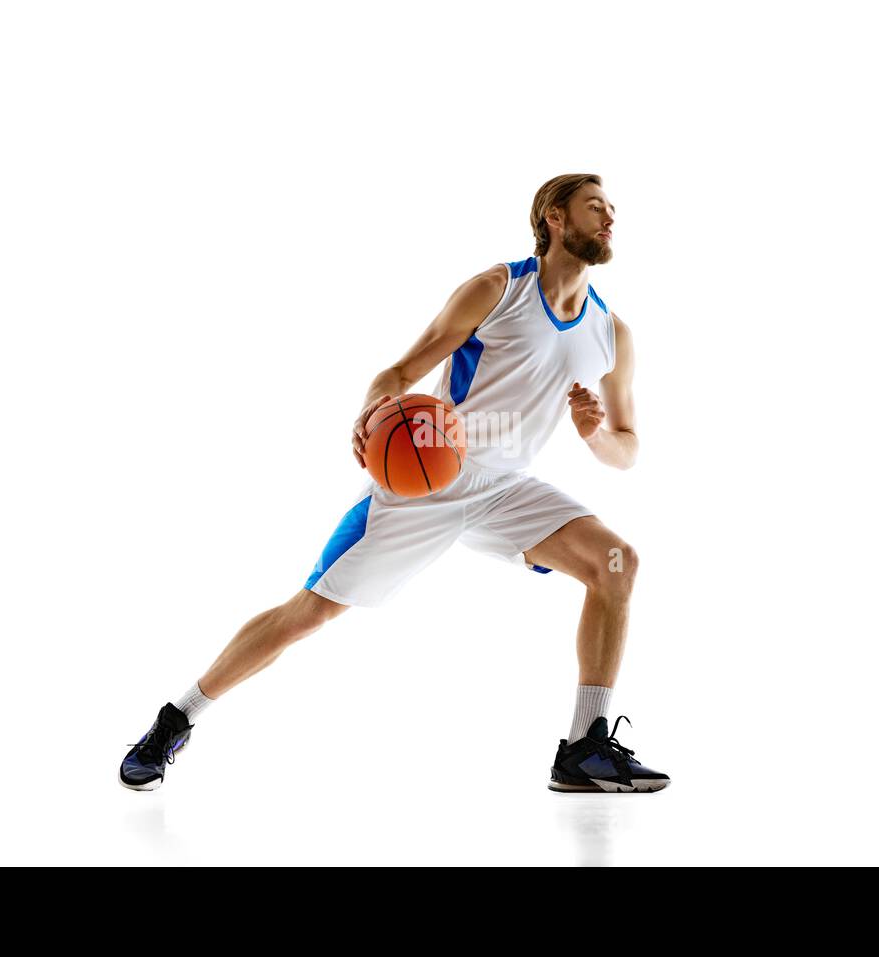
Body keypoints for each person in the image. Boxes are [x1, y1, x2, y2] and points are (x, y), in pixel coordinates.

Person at [119, 173, 669, 793]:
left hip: (507, 487)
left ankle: (584, 749)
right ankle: (176, 720)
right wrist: (372, 412)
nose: (609, 217)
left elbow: (626, 448)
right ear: (555, 218)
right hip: (428, 476)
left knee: (617, 562)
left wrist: (594, 435)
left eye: (613, 209)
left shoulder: (611, 332)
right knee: (307, 614)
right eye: (595, 206)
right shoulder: (498, 288)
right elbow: (403, 369)